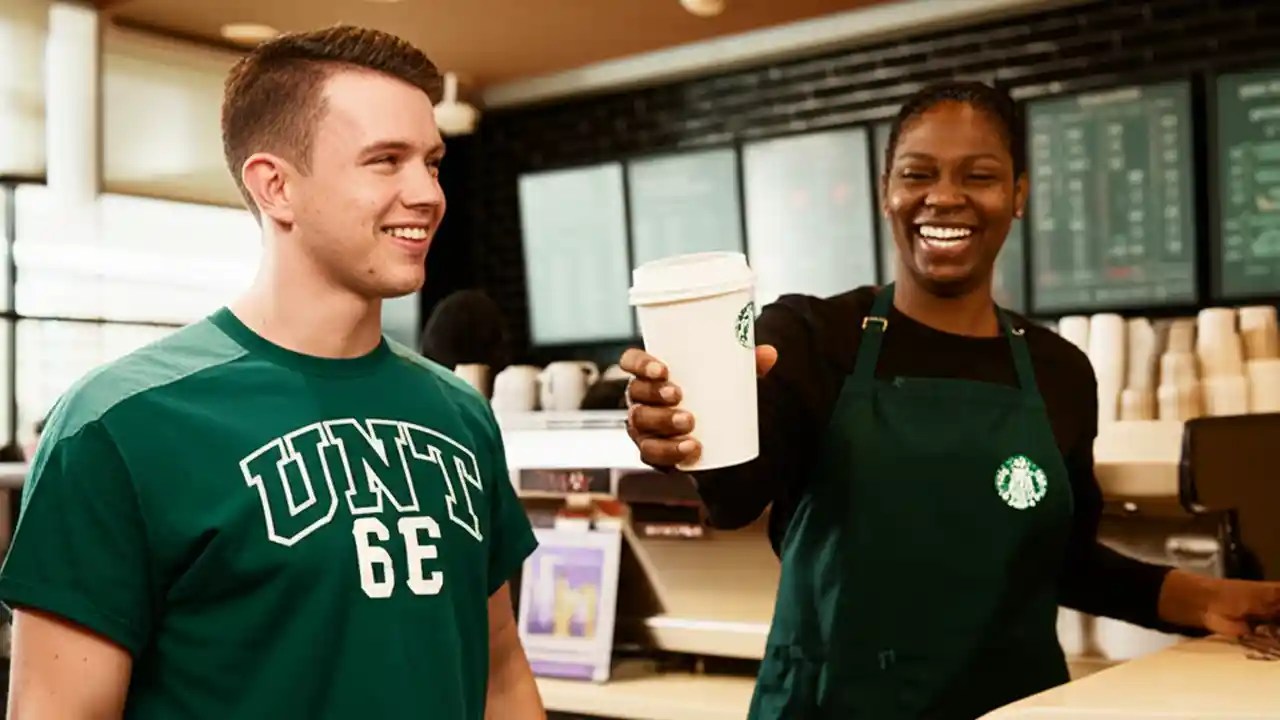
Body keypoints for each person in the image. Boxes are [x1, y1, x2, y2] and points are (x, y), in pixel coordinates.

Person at [621, 80, 1280, 718]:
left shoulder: (1060, 371)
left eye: (979, 175)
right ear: (886, 191)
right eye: (917, 174)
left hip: (1013, 709)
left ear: (1017, 195)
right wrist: (684, 428)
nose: (943, 197)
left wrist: (1208, 599)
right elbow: (734, 496)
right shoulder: (809, 336)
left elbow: (1062, 561)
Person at [0, 26, 544, 720]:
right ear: (276, 186)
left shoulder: (460, 413)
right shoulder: (118, 425)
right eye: (385, 161)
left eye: (432, 163)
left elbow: (501, 673)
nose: (428, 194)